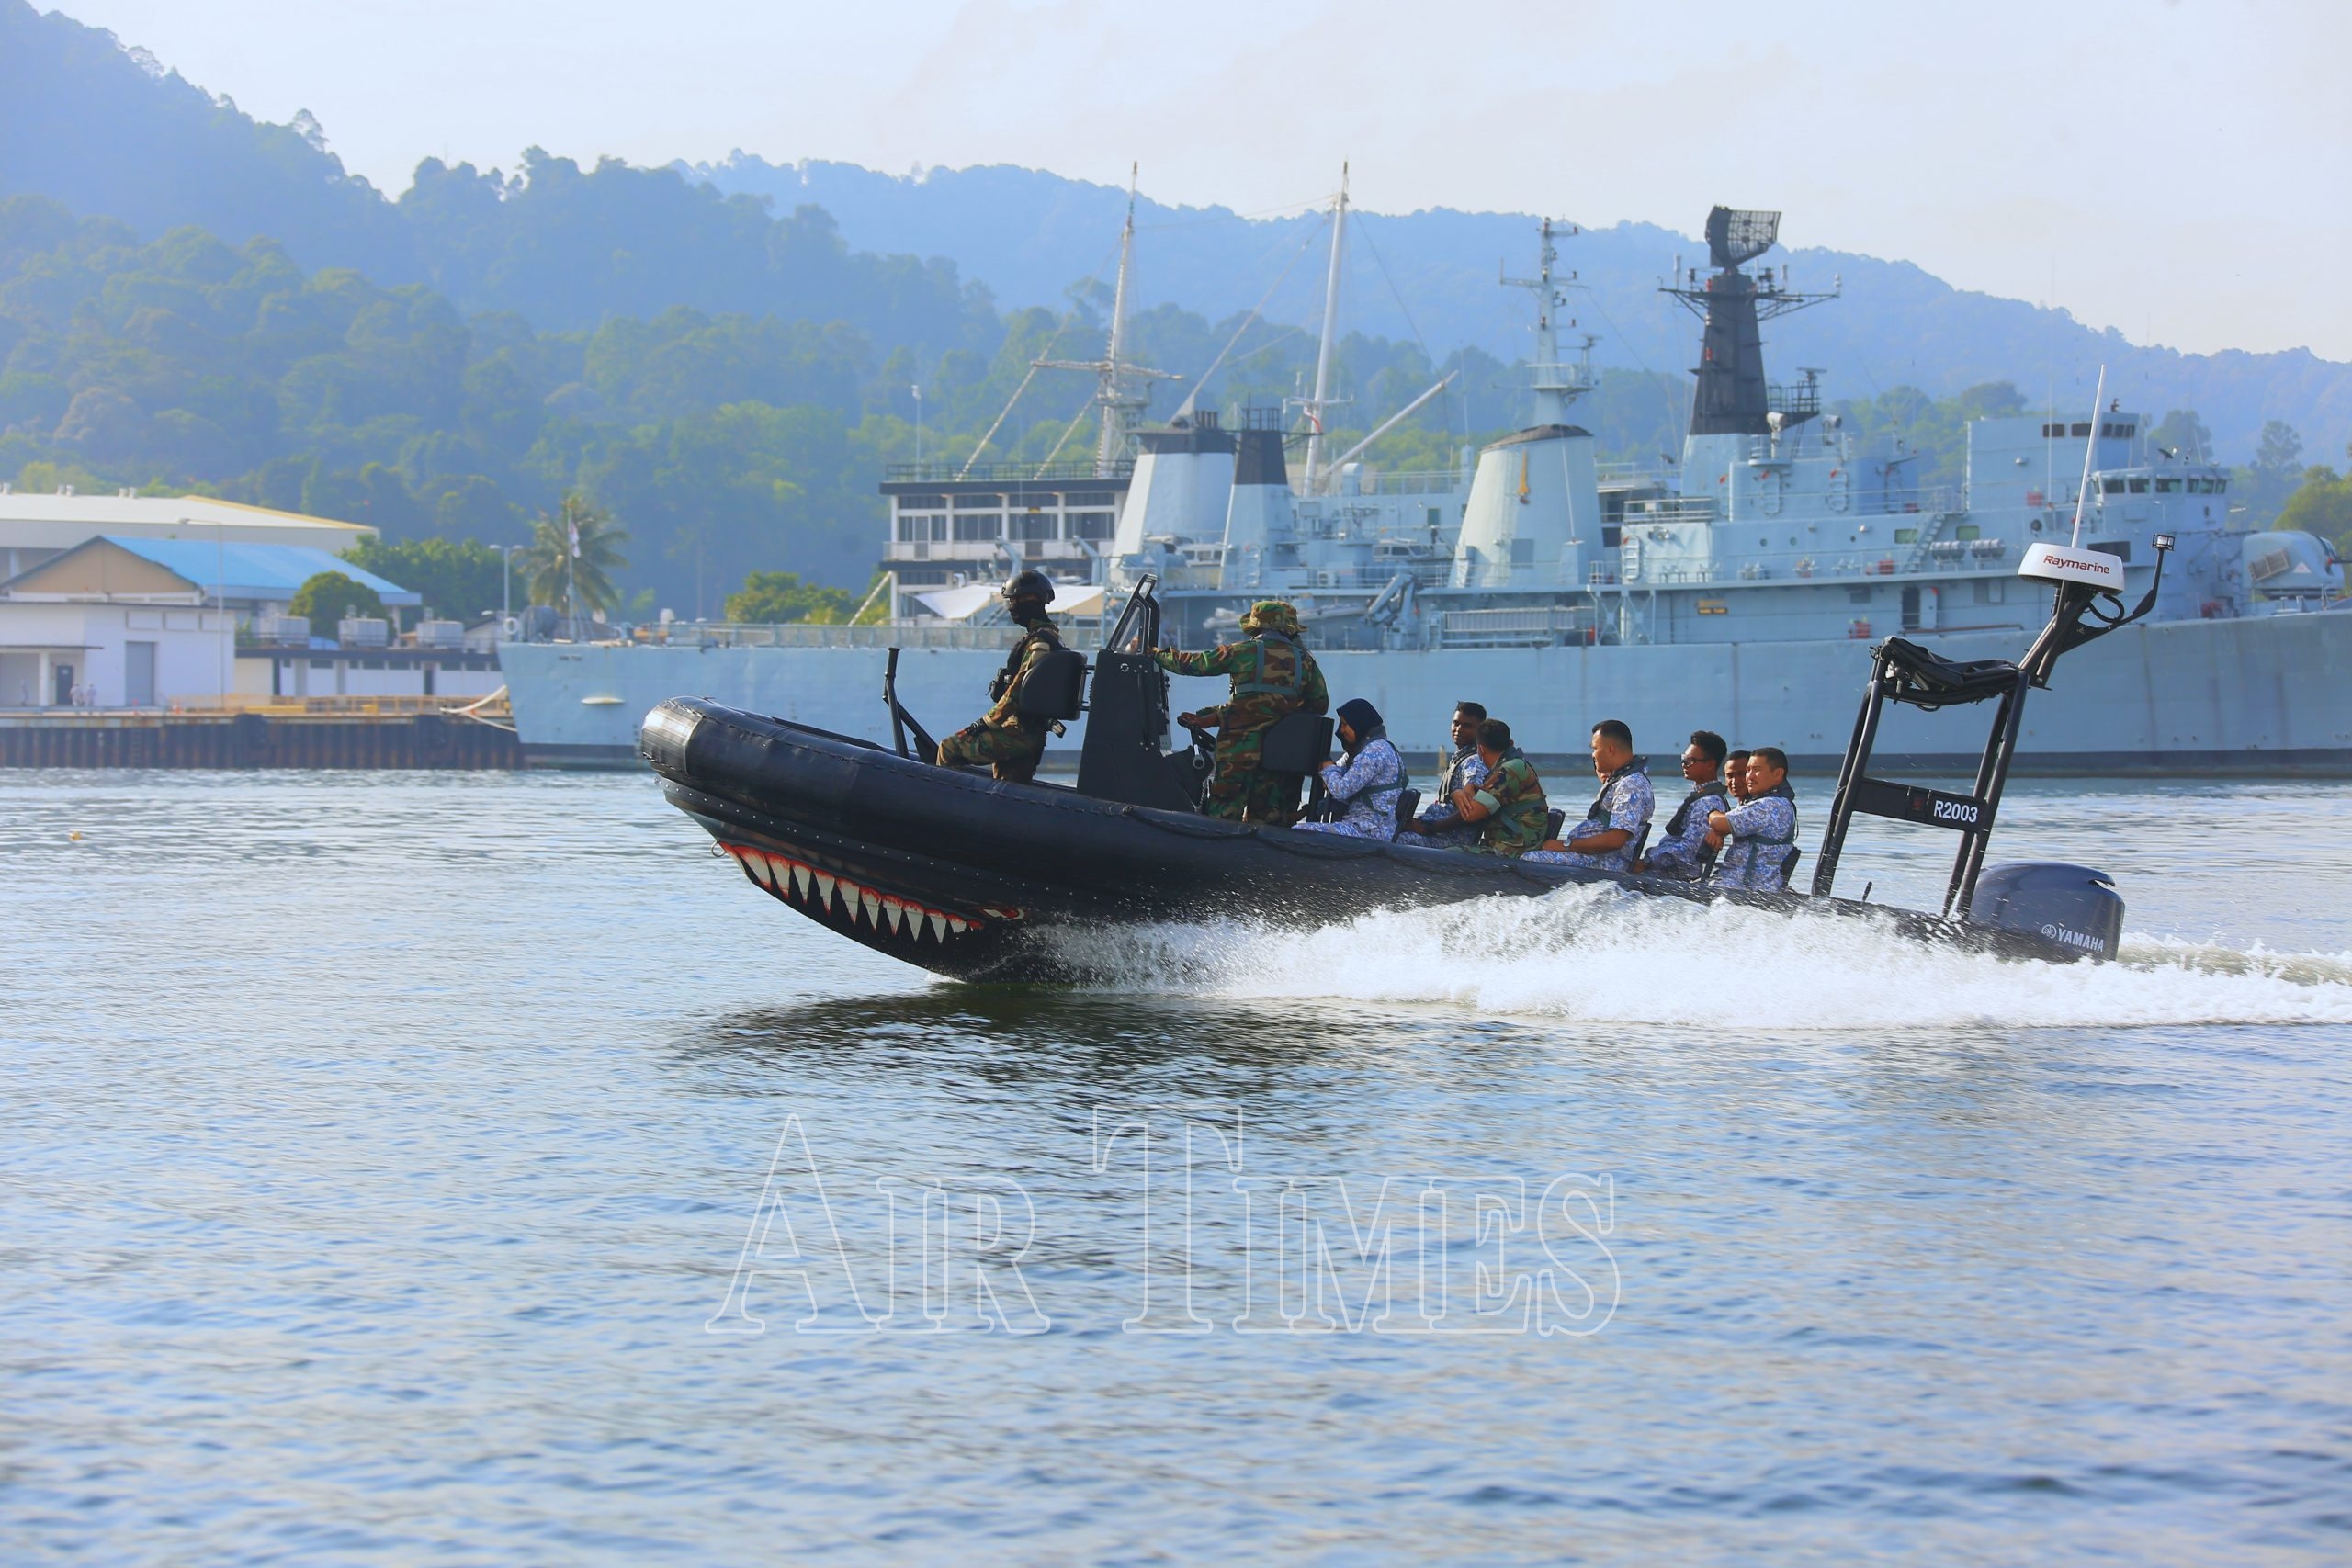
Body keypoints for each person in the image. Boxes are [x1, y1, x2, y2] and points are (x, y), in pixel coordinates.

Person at [1154, 599, 1329, 823]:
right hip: (1277, 756)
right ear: (1289, 629)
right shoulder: (1304, 663)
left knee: (1223, 815)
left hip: (1237, 752)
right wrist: (1281, 708)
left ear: (1256, 627)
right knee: (1267, 820)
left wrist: (1156, 653)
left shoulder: (1242, 652)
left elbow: (1193, 664)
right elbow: (1319, 704)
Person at [935, 570, 1062, 782]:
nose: (1012, 606)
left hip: (1020, 733)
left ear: (1032, 601)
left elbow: (1018, 689)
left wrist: (985, 723)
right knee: (1009, 788)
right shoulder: (1051, 637)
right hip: (1030, 732)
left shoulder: (1040, 644)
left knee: (949, 748)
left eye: (1016, 600)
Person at [1523, 719, 1653, 873]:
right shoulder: (1622, 780)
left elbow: (1616, 839)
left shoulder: (1630, 785)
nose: (1593, 755)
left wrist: (1565, 845)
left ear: (1610, 749)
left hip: (1602, 863)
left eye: (1595, 748)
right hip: (1592, 858)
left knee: (1529, 860)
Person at [1295, 697, 1406, 840]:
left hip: (1370, 830)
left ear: (1359, 724)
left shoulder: (1376, 751)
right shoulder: (1363, 752)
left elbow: (1341, 790)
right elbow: (1340, 774)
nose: (1341, 731)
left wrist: (1327, 769)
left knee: (1299, 831)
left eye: (1345, 725)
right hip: (1363, 826)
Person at [1451, 718, 1549, 857]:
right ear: (1511, 744)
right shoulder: (1514, 765)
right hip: (1514, 843)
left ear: (1480, 749)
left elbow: (1471, 815)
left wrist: (1457, 794)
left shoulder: (1508, 771)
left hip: (1514, 849)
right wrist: (1469, 789)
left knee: (1451, 853)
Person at [1640, 729, 1730, 880]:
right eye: (1683, 759)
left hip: (1673, 877)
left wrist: (1647, 861)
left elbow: (1688, 851)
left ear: (1710, 765)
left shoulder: (1708, 803)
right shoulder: (1699, 796)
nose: (1684, 764)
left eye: (1690, 760)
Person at [1708, 746, 1800, 891]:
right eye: (1748, 770)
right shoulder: (1780, 804)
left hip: (1742, 890)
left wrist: (1712, 813)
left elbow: (1719, 823)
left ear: (1777, 774)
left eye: (1756, 769)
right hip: (1751, 888)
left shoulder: (1769, 805)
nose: (1749, 776)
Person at [1397, 701, 1487, 846]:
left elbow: (1471, 809)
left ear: (1480, 730)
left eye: (1467, 726)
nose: (1458, 729)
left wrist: (1429, 828)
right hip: (1436, 830)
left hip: (1449, 839)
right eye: (1456, 723)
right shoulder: (1460, 758)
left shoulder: (1474, 763)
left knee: (1397, 840)